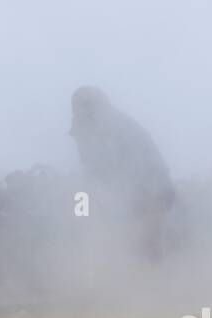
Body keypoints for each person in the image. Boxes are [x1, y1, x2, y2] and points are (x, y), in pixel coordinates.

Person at [69, 86, 176, 260]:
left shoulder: (116, 127)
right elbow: (93, 168)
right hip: (134, 195)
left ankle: (150, 281)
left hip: (151, 192)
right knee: (130, 244)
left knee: (144, 245)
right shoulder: (96, 126)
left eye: (82, 109)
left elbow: (117, 169)